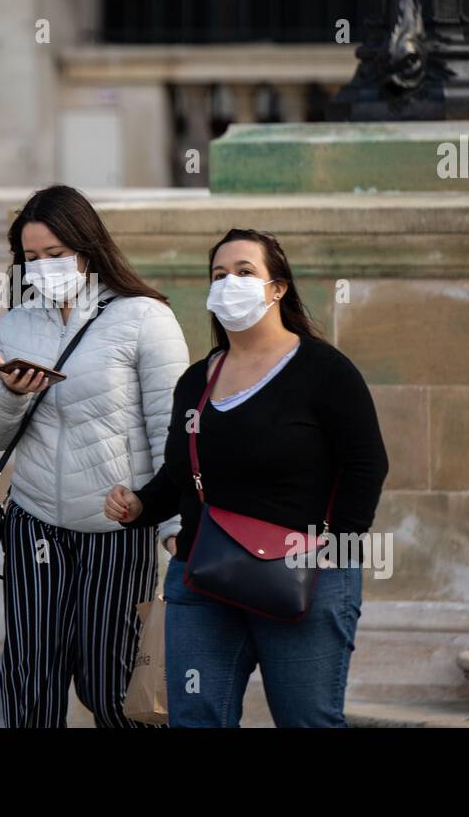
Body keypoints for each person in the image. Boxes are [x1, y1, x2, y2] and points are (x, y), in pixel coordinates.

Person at [104, 228, 389, 727]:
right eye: (219, 275)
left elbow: (366, 464)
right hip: (202, 576)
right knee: (194, 719)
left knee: (307, 721)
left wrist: (334, 548)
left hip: (305, 576)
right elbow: (182, 471)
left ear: (277, 287)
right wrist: (141, 507)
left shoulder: (325, 370)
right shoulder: (197, 379)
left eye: (244, 271)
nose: (229, 283)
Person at [0, 184, 190, 727]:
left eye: (55, 254)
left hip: (118, 526)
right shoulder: (18, 323)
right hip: (34, 521)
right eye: (31, 257)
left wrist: (176, 521)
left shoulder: (144, 318)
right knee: (30, 676)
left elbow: (174, 428)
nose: (42, 267)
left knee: (112, 685)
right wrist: (10, 392)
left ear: (87, 248)